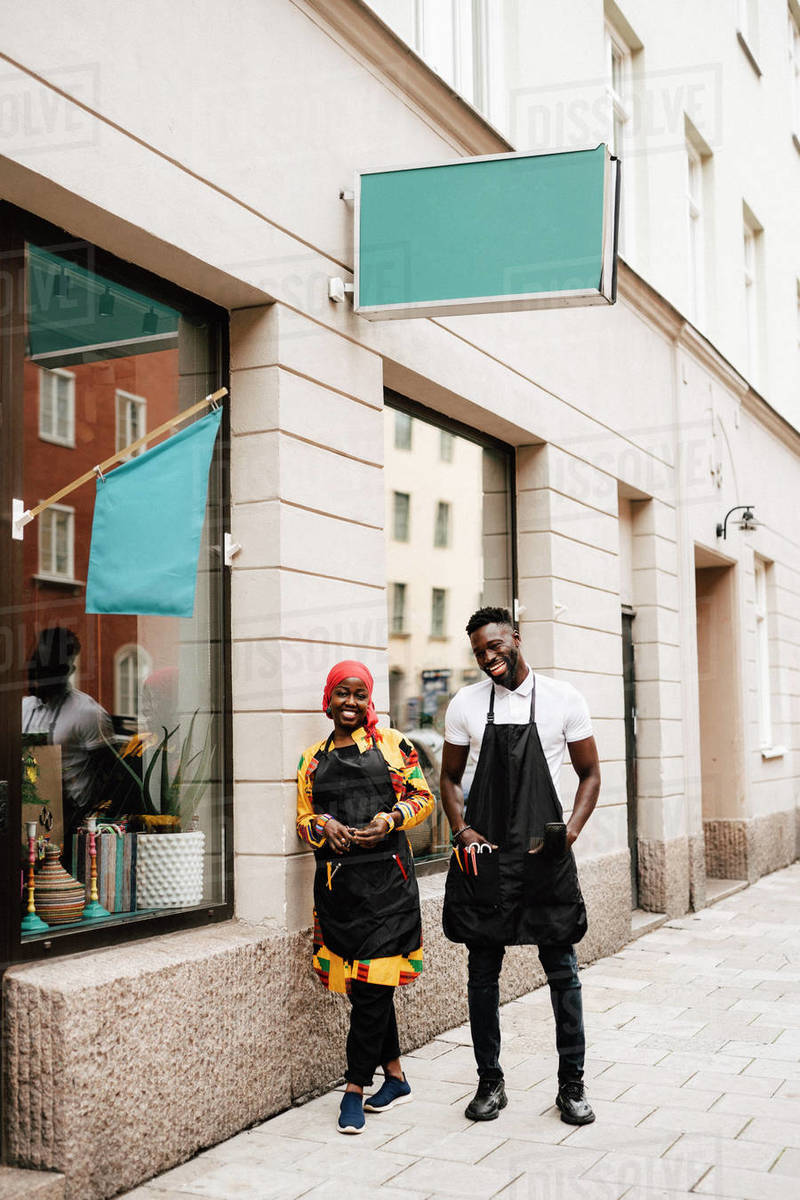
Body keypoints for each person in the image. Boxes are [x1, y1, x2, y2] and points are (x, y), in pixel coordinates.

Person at [440, 606, 600, 1126]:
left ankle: (571, 1086)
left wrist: (569, 832)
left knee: (564, 973)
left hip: (543, 855)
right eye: (479, 652)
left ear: (516, 637)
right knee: (481, 975)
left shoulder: (563, 699)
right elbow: (448, 778)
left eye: (495, 645)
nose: (488, 657)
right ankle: (490, 1082)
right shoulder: (465, 704)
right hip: (486, 859)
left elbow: (590, 773)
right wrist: (461, 829)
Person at [296, 660, 435, 1134]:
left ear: (369, 700)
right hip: (340, 891)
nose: (350, 703)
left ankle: (354, 1087)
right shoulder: (311, 758)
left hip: (389, 888)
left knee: (373, 985)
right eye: (342, 694)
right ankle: (394, 1077)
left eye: (359, 695)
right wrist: (323, 826)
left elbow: (422, 798)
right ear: (329, 699)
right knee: (365, 989)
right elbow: (303, 818)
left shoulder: (395, 746)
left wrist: (389, 820)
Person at [22, 627, 114, 843]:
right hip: (27, 813)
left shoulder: (88, 713)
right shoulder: (22, 709)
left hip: (69, 821)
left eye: (46, 670)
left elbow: (108, 777)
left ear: (66, 670)